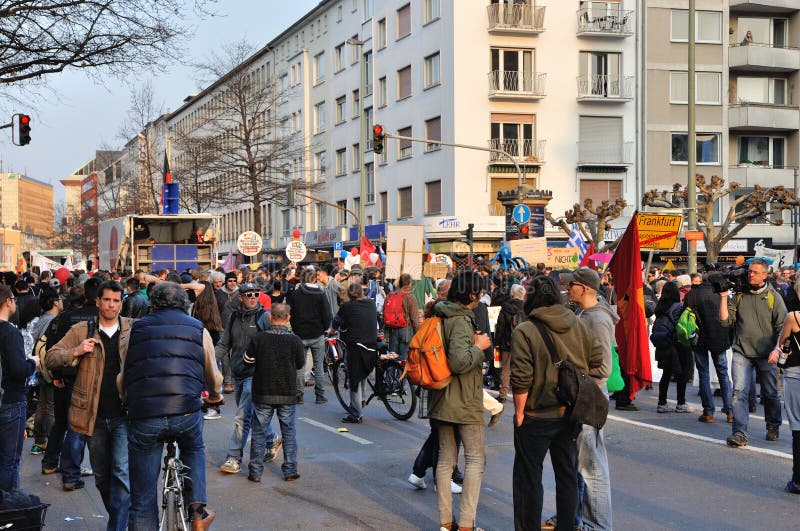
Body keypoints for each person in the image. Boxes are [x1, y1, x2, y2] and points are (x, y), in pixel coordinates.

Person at [119, 282, 221, 531]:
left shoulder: (135, 329)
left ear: (152, 305)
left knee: (142, 501)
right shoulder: (198, 329)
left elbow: (123, 376)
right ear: (185, 305)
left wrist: (127, 400)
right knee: (194, 447)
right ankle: (198, 514)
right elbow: (214, 375)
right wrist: (215, 395)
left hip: (145, 415)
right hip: (185, 410)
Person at [510, 275, 602, 531]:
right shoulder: (579, 325)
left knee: (529, 478)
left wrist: (519, 413)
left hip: (536, 414)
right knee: (567, 475)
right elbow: (598, 361)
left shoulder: (525, 330)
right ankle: (567, 527)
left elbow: (521, 379)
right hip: (571, 412)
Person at [47, 281, 132, 530]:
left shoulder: (131, 330)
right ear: (98, 302)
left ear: (121, 303)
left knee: (121, 473)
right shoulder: (82, 330)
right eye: (107, 300)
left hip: (124, 416)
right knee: (103, 477)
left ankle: (117, 525)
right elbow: (52, 356)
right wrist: (75, 351)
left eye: (116, 301)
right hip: (92, 416)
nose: (112, 305)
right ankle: (119, 516)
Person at [429, 271, 490, 531]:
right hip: (463, 399)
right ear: (472, 295)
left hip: (441, 396)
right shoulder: (461, 320)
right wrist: (480, 347)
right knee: (475, 459)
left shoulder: (440, 313)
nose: (482, 297)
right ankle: (466, 524)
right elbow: (459, 361)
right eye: (481, 292)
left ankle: (446, 523)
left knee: (445, 460)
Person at [561, 267, 616, 531]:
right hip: (583, 394)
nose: (567, 288)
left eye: (571, 284)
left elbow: (603, 368)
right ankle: (580, 520)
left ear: (583, 288)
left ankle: (598, 526)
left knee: (592, 467)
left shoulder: (598, 319)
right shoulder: (585, 313)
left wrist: (571, 365)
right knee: (582, 463)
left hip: (590, 395)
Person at [721, 258, 786, 447]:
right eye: (750, 271)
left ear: (766, 275)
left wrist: (777, 349)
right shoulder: (740, 295)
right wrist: (724, 297)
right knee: (739, 392)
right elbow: (725, 321)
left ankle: (773, 425)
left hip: (767, 354)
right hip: (742, 351)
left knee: (770, 393)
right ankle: (739, 433)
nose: (751, 275)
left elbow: (783, 327)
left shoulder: (774, 296)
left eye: (756, 272)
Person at [218, 283, 280, 474]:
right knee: (251, 414)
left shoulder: (265, 317)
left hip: (256, 375)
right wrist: (208, 361)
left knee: (242, 417)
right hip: (238, 372)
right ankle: (271, 438)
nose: (253, 297)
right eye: (248, 295)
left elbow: (279, 340)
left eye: (256, 294)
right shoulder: (234, 317)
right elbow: (224, 344)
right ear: (241, 297)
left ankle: (234, 457)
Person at [244, 303, 305, 482]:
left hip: (263, 391)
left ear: (270, 318)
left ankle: (255, 471)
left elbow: (248, 360)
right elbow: (300, 364)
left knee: (259, 432)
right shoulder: (294, 340)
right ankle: (290, 470)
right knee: (289, 432)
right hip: (287, 391)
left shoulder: (259, 338)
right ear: (288, 319)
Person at [0, 284, 39, 491]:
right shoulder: (9, 333)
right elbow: (18, 369)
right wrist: (32, 362)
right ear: (7, 302)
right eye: (13, 299)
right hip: (11, 399)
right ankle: (8, 509)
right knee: (10, 459)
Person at [685, 271, 733, 423]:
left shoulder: (692, 294)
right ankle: (730, 410)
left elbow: (685, 315)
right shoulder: (721, 295)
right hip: (719, 338)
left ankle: (708, 411)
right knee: (723, 374)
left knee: (704, 373)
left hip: (698, 338)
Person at [334, 282, 378, 423]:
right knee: (363, 373)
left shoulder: (346, 307)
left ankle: (356, 413)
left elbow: (336, 322)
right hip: (372, 345)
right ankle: (363, 398)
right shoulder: (371, 304)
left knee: (354, 378)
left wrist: (331, 330)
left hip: (356, 347)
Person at [287, 268, 331, 405]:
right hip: (317, 334)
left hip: (300, 334)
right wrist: (324, 328)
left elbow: (291, 313)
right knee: (318, 366)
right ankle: (319, 395)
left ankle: (299, 396)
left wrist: (295, 328)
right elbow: (326, 313)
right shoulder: (321, 293)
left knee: (300, 366)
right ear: (314, 279)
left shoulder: (296, 293)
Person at [654, 282, 695, 414]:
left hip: (664, 342)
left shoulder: (660, 307)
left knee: (666, 374)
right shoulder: (678, 307)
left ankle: (662, 403)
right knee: (682, 374)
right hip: (677, 344)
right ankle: (681, 403)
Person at [775, 309, 800, 493]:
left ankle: (797, 480)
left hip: (795, 375)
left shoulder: (794, 317)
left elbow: (782, 344)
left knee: (798, 428)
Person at [494, 284, 526, 403]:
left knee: (506, 370)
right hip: (522, 344)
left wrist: (497, 343)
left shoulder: (506, 307)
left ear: (512, 294)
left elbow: (500, 327)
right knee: (522, 369)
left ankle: (503, 395)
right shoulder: (526, 308)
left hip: (506, 343)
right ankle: (522, 394)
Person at [383, 273, 421, 360]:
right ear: (410, 284)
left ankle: (392, 373)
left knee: (392, 358)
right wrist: (419, 335)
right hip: (406, 332)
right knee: (404, 359)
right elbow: (415, 319)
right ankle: (402, 373)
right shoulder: (410, 297)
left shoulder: (390, 295)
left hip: (392, 331)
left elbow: (385, 313)